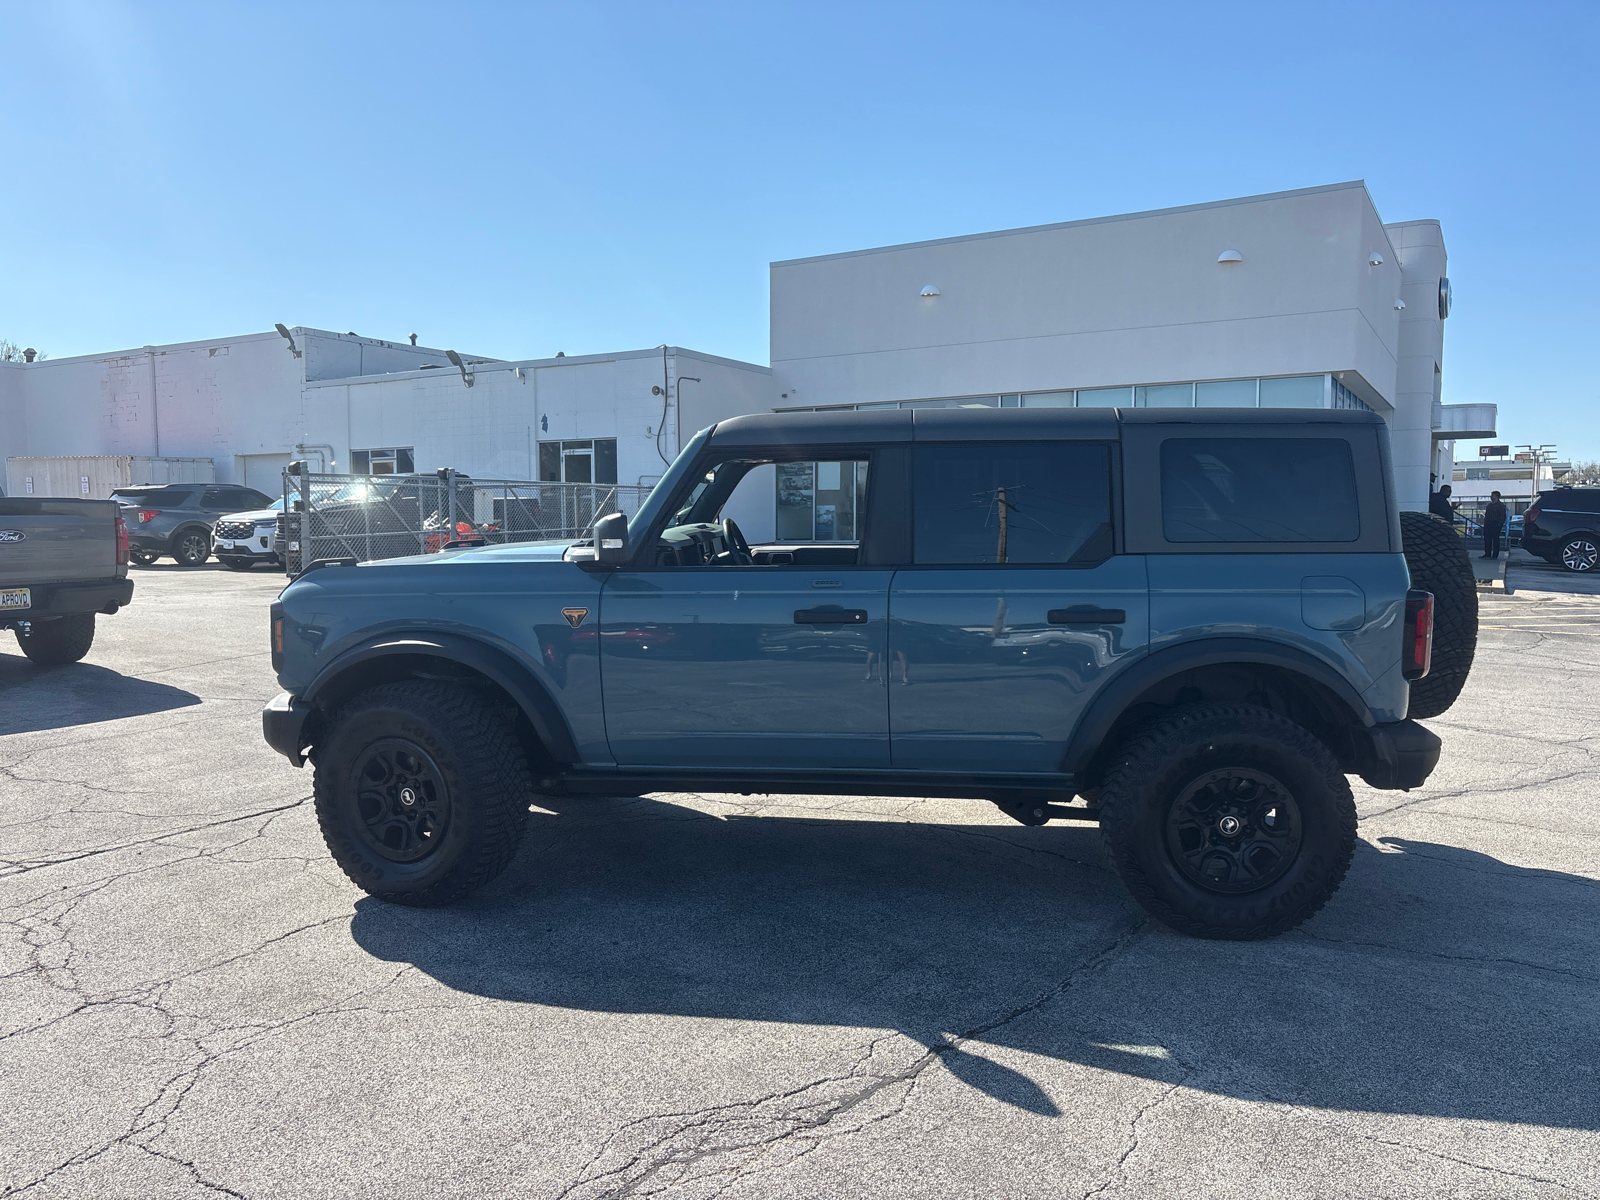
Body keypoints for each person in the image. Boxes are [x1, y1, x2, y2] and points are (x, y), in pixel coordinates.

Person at [1482, 490, 1508, 559]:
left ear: (1497, 496)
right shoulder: (1489, 505)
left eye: (1492, 495)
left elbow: (1503, 516)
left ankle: (1495, 554)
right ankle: (1487, 553)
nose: (1491, 497)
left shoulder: (1501, 506)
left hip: (1495, 524)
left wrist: (1499, 525)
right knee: (1487, 539)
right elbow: (1486, 515)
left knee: (1495, 540)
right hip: (1488, 524)